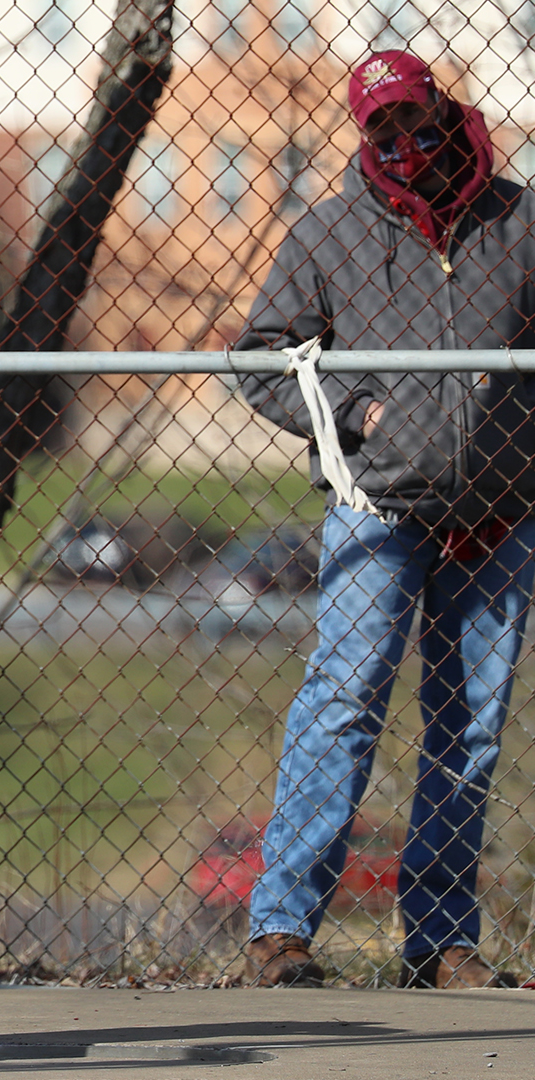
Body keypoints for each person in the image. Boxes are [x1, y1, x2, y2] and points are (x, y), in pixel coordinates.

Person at [235, 49, 535, 988]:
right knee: (345, 700)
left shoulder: (522, 223)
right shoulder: (327, 236)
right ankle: (281, 931)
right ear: (363, 137)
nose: (403, 142)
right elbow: (258, 358)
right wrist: (359, 414)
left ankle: (442, 941)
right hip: (378, 507)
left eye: (413, 118)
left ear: (444, 112)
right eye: (381, 128)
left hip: (501, 513)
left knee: (471, 726)